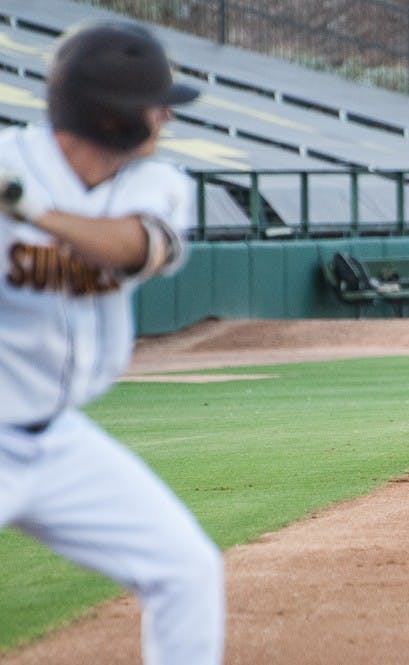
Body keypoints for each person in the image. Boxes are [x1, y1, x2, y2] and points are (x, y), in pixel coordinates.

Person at [0, 22, 224, 664]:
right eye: (158, 107)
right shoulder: (14, 159)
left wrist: (28, 209)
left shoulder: (156, 183)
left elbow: (134, 250)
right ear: (117, 117)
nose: (166, 121)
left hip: (57, 440)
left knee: (186, 570)